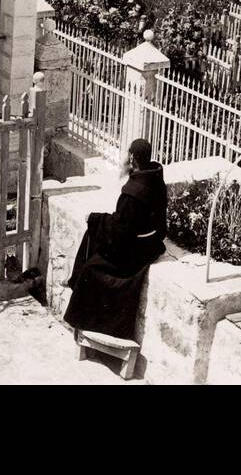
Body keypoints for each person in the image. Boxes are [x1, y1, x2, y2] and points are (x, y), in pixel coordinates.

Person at [63, 138, 167, 341]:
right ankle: (74, 282)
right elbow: (130, 222)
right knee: (94, 230)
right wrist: (100, 220)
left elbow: (121, 234)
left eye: (127, 154)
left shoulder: (134, 193)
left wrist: (95, 218)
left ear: (132, 158)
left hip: (135, 250)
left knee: (91, 268)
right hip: (151, 242)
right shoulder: (155, 178)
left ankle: (81, 311)